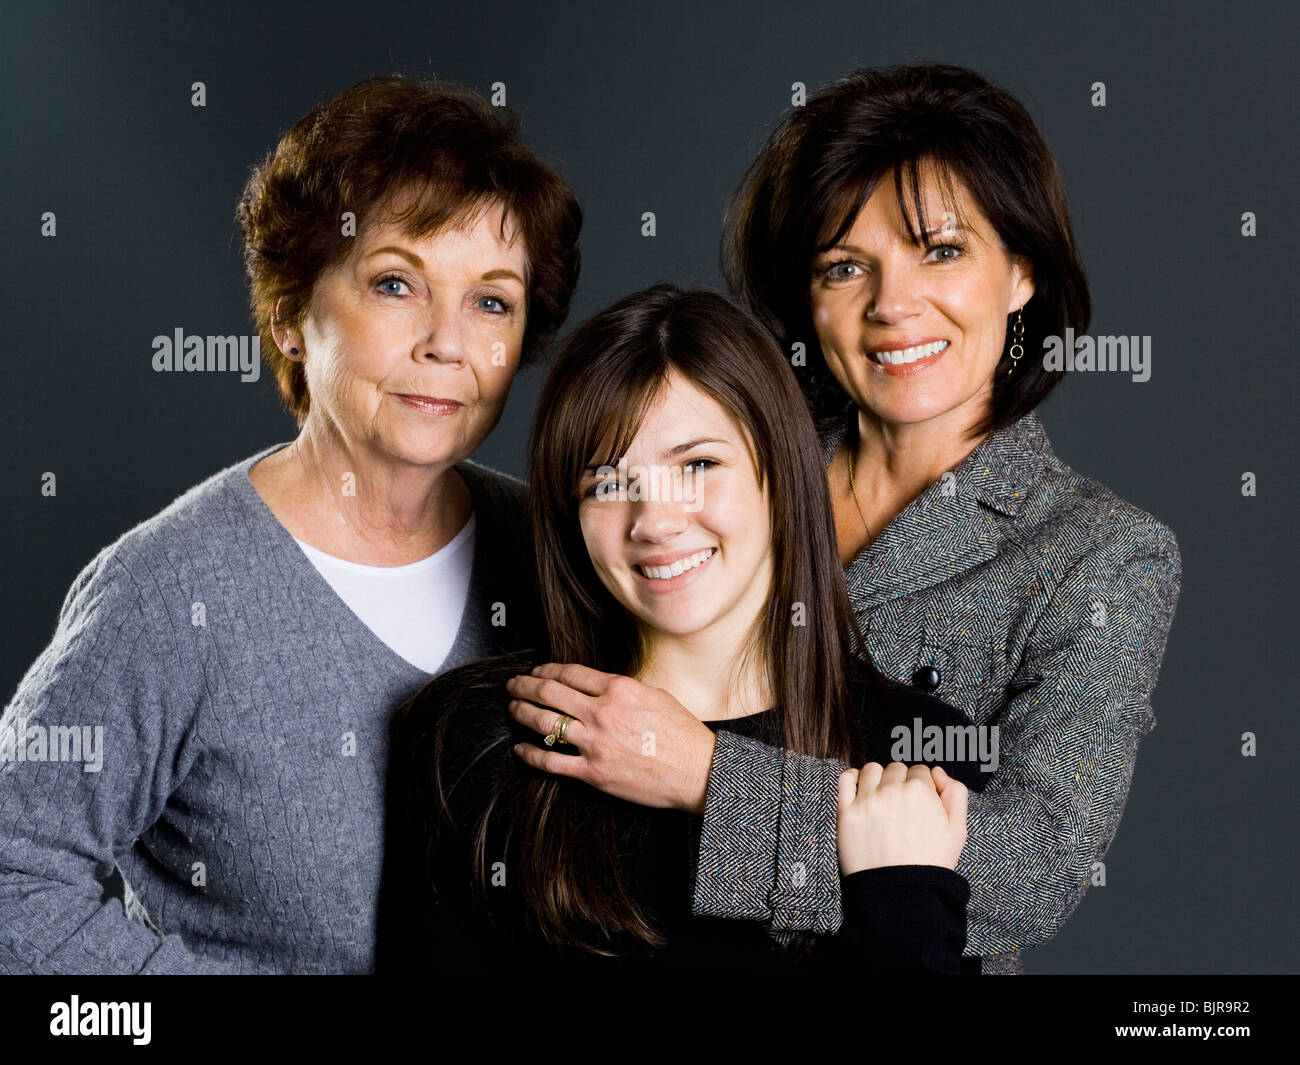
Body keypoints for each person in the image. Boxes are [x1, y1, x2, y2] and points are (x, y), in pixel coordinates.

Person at [500, 64, 1182, 973]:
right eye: (845, 266)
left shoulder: (1099, 555)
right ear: (804, 299)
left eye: (941, 251)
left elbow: (1032, 869)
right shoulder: (730, 460)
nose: (892, 306)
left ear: (1022, 272)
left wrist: (705, 775)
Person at [0, 76, 581, 973]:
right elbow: (15, 882)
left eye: (491, 301)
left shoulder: (564, 552)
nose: (448, 343)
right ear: (289, 317)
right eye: (397, 283)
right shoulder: (167, 592)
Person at [378, 286, 985, 974]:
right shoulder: (477, 740)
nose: (655, 521)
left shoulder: (917, 757)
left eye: (697, 465)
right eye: (607, 481)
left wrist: (897, 898)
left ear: (779, 474)